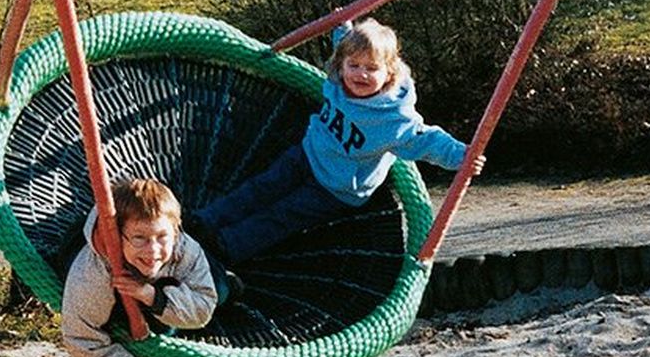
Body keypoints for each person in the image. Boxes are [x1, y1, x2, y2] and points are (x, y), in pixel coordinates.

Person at [188, 17, 486, 267]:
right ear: (341, 65)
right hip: (307, 155)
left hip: (335, 187)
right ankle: (207, 220)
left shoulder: (393, 119)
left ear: (388, 73)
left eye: (372, 68)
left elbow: (429, 141)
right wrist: (342, 24)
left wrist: (463, 157)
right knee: (262, 187)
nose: (361, 74)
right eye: (354, 65)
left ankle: (226, 246)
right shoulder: (337, 81)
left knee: (283, 214)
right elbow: (343, 42)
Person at [61, 178, 217, 357]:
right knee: (159, 324)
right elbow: (80, 340)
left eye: (162, 237)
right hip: (107, 290)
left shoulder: (184, 247)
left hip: (163, 281)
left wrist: (151, 295)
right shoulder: (92, 275)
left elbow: (204, 307)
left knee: (220, 287)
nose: (153, 250)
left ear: (175, 231)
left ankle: (227, 280)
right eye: (139, 238)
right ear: (118, 237)